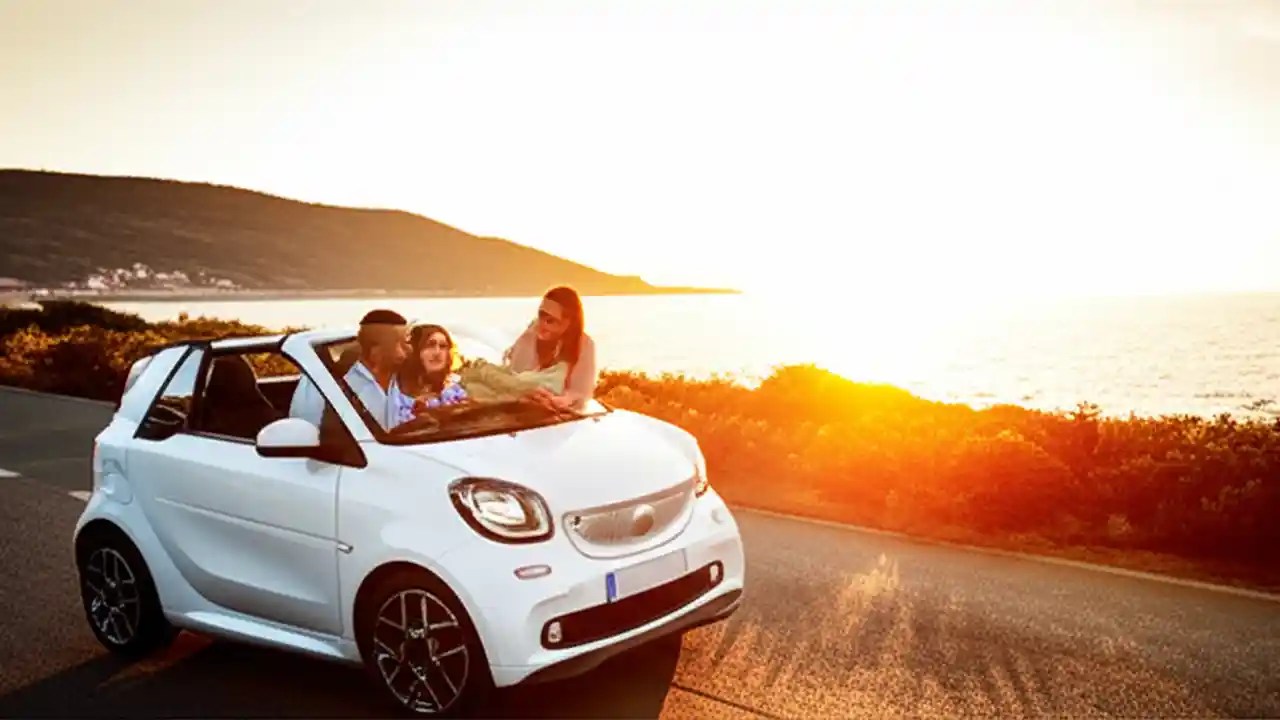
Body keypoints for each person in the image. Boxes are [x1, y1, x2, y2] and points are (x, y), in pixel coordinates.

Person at [289, 309, 411, 431]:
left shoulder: (404, 381)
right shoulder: (325, 386)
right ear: (375, 349)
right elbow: (306, 434)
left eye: (408, 341)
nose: (409, 349)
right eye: (399, 342)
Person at [502, 286, 598, 411]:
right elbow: (515, 377)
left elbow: (581, 392)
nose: (541, 324)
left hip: (561, 417)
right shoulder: (531, 336)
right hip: (523, 412)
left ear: (568, 323)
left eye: (550, 320)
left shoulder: (584, 345)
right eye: (540, 316)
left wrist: (560, 400)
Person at [394, 324, 469, 425]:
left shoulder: (453, 390)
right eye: (430, 345)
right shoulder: (395, 393)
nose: (437, 352)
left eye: (443, 346)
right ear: (416, 350)